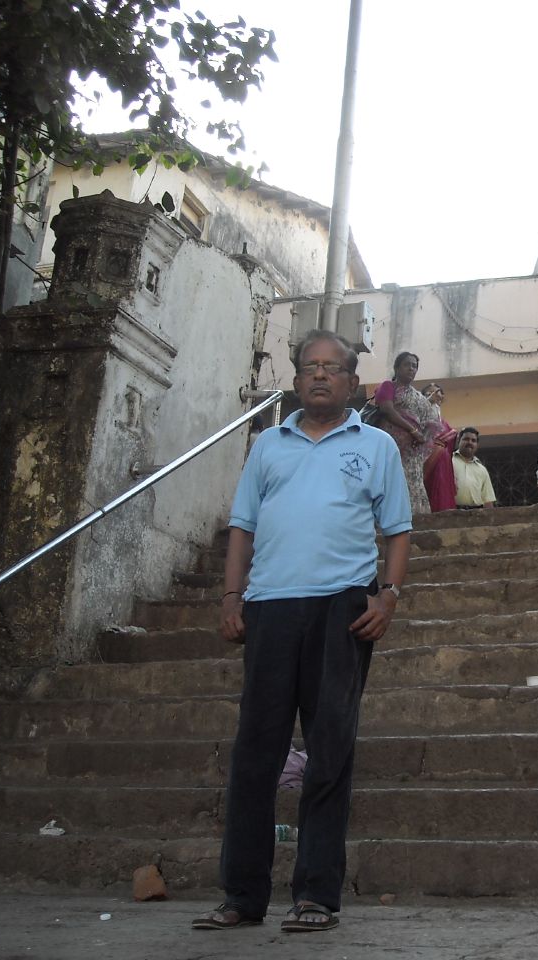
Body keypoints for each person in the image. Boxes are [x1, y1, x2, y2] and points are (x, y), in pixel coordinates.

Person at [192, 329, 411, 935]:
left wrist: (388, 596)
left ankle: (316, 894)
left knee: (329, 753)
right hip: (269, 609)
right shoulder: (268, 445)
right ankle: (242, 897)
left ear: (352, 383)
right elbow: (243, 527)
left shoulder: (376, 446)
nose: (319, 375)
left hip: (342, 611)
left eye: (331, 367)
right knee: (254, 754)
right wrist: (232, 597)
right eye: (310, 366)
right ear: (295, 381)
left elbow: (397, 530)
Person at [370, 351, 441, 515]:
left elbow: (431, 422)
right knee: (390, 481)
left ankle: (415, 518)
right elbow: (387, 409)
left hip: (412, 453)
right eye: (407, 365)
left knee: (412, 483)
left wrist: (423, 437)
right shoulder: (388, 386)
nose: (411, 369)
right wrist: (413, 430)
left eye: (414, 366)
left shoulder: (419, 397)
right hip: (390, 447)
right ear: (396, 368)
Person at [420, 382, 458, 512]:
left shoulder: (445, 424)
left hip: (444, 464)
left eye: (437, 392)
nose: (434, 395)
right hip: (428, 461)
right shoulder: (420, 417)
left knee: (444, 495)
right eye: (429, 393)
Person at [451, 427, 496, 508]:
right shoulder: (448, 461)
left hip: (476, 513)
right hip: (451, 511)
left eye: (473, 440)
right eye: (466, 439)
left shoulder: (482, 470)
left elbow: (487, 500)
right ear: (458, 441)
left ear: (477, 445)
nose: (470, 442)